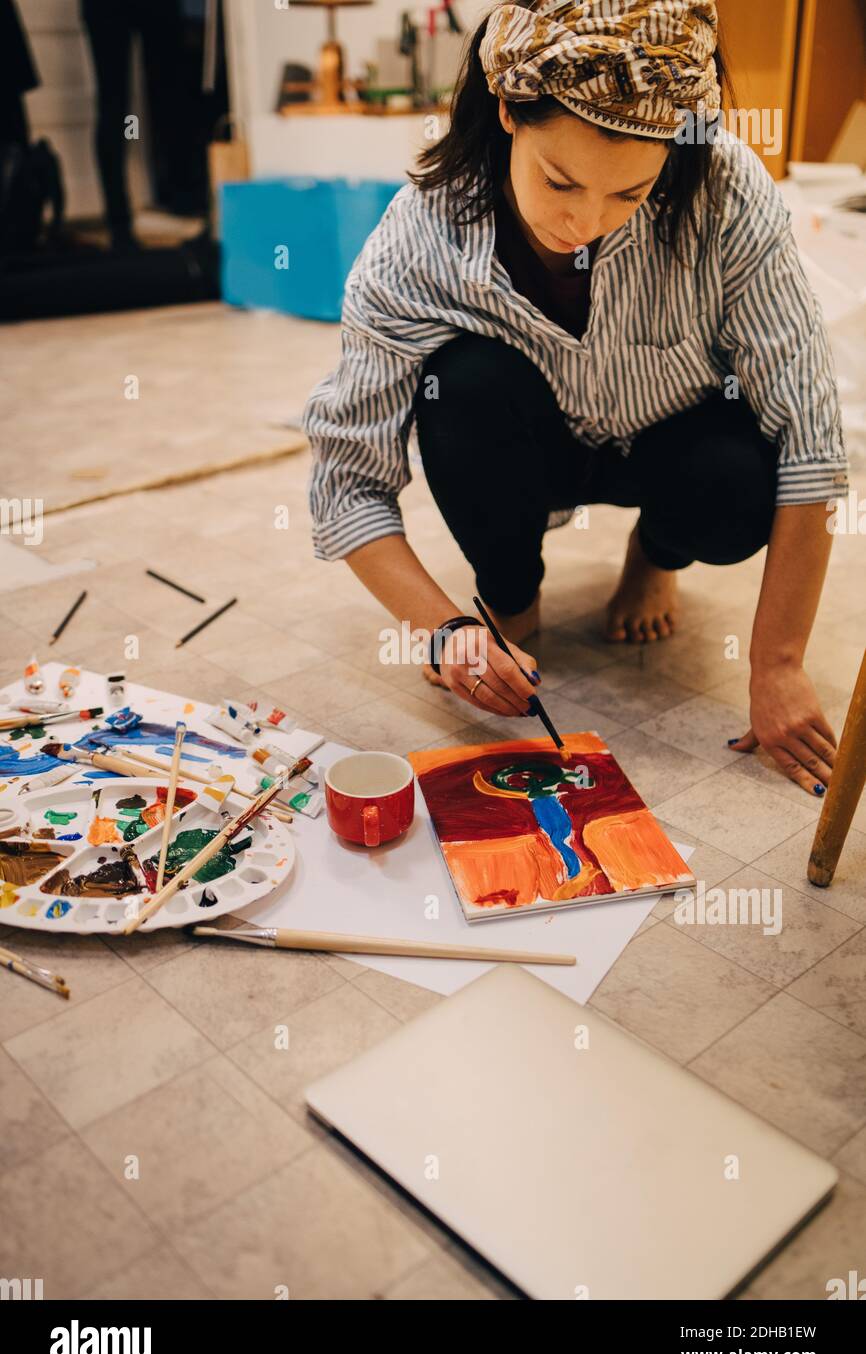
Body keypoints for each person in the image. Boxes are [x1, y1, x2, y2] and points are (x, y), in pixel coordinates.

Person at [305, 0, 849, 798]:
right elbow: (346, 480)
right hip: (528, 443)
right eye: (559, 181)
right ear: (506, 112)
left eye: (629, 194)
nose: (586, 223)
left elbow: (811, 437)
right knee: (461, 385)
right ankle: (510, 601)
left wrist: (779, 664)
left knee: (737, 481)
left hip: (672, 443)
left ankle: (655, 556)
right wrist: (443, 629)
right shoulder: (423, 233)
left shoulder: (727, 190)